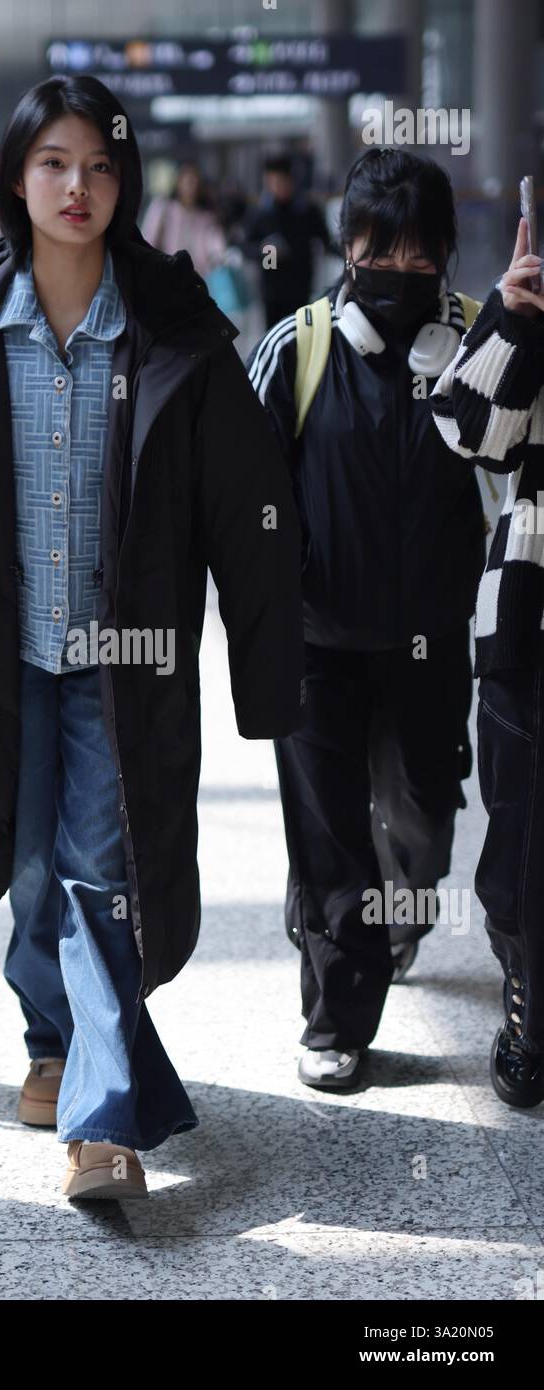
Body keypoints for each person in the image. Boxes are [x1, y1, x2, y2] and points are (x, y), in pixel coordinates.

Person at [0, 74, 304, 1198]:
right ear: (15, 178)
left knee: (101, 873)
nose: (79, 186)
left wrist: (268, 679)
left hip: (125, 668)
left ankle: (101, 1127)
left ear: (128, 183)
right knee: (26, 872)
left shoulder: (173, 331)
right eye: (55, 163)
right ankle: (49, 1043)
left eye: (102, 165)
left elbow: (247, 513)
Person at [245, 147, 487, 1090]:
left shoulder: (474, 345)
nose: (394, 273)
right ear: (344, 247)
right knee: (330, 839)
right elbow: (245, 500)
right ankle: (335, 1018)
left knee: (423, 822)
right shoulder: (297, 349)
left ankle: (399, 909)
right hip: (315, 647)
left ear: (444, 256)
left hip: (431, 641)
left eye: (416, 255)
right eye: (374, 252)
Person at [431, 217, 544, 1108]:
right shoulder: (526, 312)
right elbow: (470, 435)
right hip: (527, 613)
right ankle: (527, 1002)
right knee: (522, 831)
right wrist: (511, 319)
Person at [242, 154, 335, 328]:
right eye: (275, 181)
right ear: (268, 182)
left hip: (300, 286)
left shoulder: (306, 211)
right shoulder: (260, 213)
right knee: (274, 333)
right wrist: (264, 250)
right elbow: (246, 248)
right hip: (271, 289)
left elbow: (326, 240)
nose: (280, 186)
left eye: (284, 181)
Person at [140, 161, 227, 276]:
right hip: (167, 276)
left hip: (199, 278)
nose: (192, 187)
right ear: (178, 182)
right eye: (188, 182)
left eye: (195, 182)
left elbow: (215, 243)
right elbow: (148, 239)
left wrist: (221, 258)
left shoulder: (205, 216)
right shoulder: (163, 208)